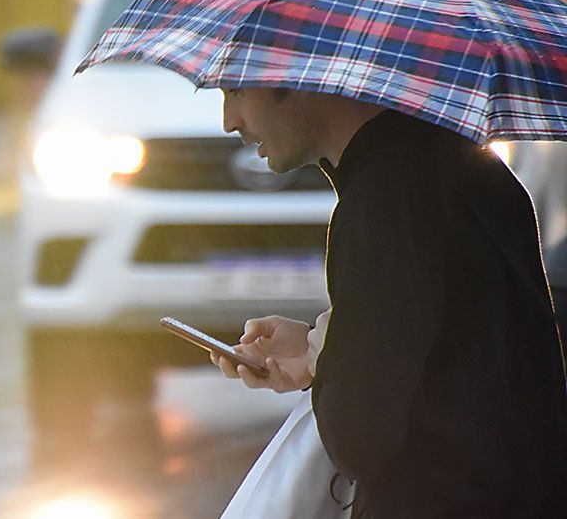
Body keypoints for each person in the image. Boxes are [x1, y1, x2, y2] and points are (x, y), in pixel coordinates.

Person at [210, 86, 567, 517]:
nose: (230, 120)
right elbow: (448, 362)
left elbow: (357, 438)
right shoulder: (455, 165)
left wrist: (332, 361)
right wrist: (318, 348)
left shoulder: (386, 198)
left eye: (236, 91)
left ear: (294, 76)